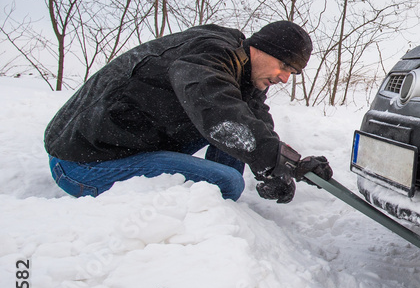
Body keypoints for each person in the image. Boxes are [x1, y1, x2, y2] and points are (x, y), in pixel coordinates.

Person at [44, 21, 333, 203]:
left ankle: (222, 212)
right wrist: (276, 160)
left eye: (292, 73)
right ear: (261, 48)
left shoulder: (243, 69)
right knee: (227, 181)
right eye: (284, 66)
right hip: (83, 162)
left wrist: (286, 165)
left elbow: (253, 117)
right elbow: (218, 111)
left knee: (239, 131)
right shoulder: (208, 56)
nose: (285, 78)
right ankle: (214, 212)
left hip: (124, 142)